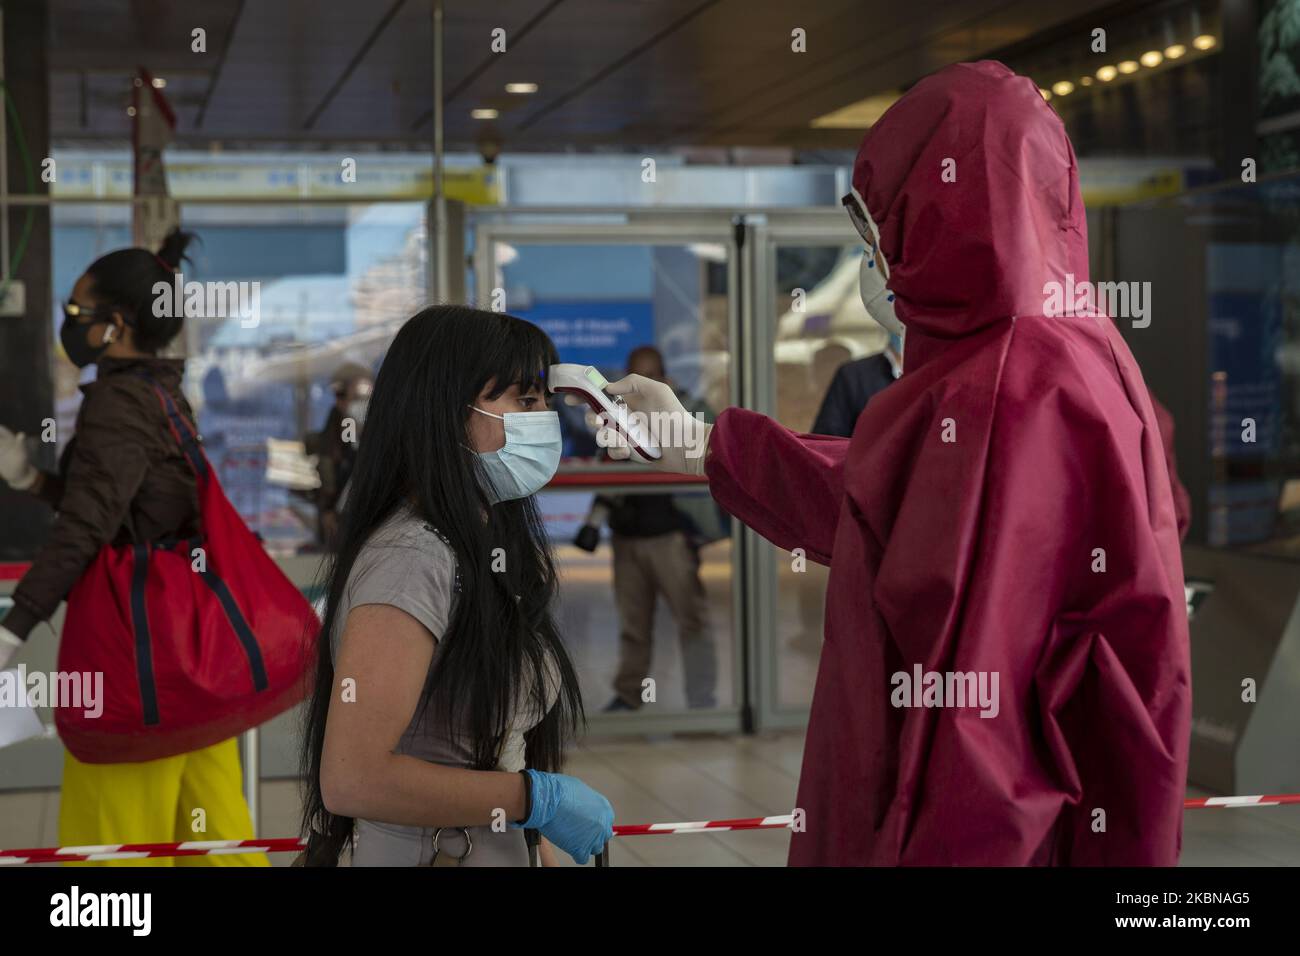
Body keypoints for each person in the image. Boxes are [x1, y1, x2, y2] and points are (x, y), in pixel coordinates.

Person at [592, 62, 1190, 865]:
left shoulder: (1011, 380)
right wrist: (705, 445)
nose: (882, 258)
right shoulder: (1066, 350)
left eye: (885, 226)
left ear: (948, 212)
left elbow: (982, 719)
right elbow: (898, 501)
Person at [300, 305, 614, 867]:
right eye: (524, 400)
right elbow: (353, 779)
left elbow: (495, 749)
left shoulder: (484, 540)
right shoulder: (412, 558)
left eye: (543, 400)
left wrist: (533, 826)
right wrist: (533, 799)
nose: (544, 419)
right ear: (445, 412)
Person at [0, 230, 268, 866]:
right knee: (214, 830)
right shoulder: (160, 392)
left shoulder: (119, 403)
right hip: (190, 654)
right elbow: (130, 506)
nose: (68, 324)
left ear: (114, 325)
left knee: (114, 832)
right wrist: (33, 479)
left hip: (137, 658)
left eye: (77, 311)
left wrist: (15, 626)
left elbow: (89, 526)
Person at [574, 346, 719, 712]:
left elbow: (712, 454)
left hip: (671, 538)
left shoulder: (687, 414)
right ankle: (628, 695)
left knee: (692, 620)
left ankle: (702, 700)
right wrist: (593, 522)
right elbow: (609, 472)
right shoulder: (618, 419)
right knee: (633, 624)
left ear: (665, 380)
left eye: (653, 378)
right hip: (628, 538)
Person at [311, 362, 374, 548]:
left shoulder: (371, 420)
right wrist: (328, 508)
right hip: (346, 506)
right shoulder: (340, 421)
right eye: (355, 396)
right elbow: (328, 462)